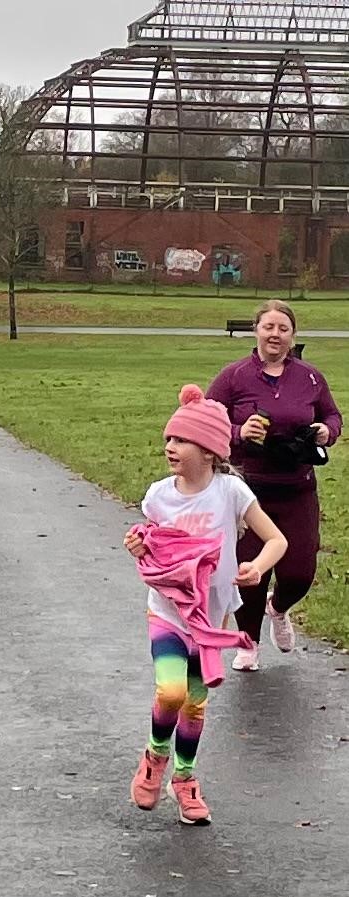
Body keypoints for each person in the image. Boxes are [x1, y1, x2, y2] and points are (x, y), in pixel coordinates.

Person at [124, 385, 287, 825]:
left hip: (211, 621)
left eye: (180, 440)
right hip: (166, 613)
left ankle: (185, 778)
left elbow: (277, 539)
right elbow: (151, 543)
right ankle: (155, 756)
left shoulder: (231, 492)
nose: (169, 447)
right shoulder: (159, 495)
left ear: (211, 450)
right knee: (171, 692)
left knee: (195, 704)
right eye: (169, 439)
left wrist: (255, 566)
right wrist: (139, 546)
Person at [207, 300, 343, 671]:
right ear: (257, 331)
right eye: (269, 327)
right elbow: (204, 418)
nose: (275, 335)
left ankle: (278, 608)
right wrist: (238, 431)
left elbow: (332, 414)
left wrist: (326, 431)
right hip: (249, 489)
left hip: (297, 487)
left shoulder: (310, 377)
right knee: (250, 571)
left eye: (283, 328)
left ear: (292, 335)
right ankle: (247, 644)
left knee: (300, 572)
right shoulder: (234, 376)